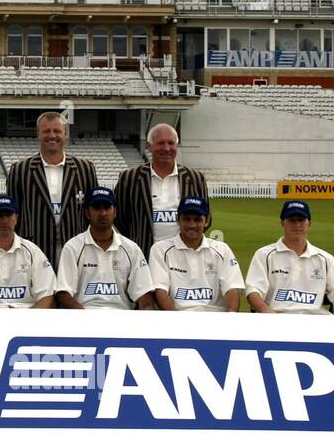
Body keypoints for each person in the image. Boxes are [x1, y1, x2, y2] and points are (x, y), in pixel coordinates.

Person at [4, 110, 101, 266]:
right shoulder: (20, 169)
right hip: (34, 247)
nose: (52, 135)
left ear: (65, 133)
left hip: (76, 247)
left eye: (57, 131)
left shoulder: (85, 168)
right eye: (46, 131)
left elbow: (94, 211)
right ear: (38, 134)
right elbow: (13, 213)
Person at [246, 200, 334, 324]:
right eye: (292, 220)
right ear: (282, 223)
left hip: (315, 322)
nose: (297, 224)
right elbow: (253, 291)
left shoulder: (324, 259)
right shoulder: (264, 255)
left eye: (301, 220)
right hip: (277, 319)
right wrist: (266, 311)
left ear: (309, 224)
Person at [54, 187, 155, 310]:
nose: (103, 213)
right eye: (97, 208)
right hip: (83, 318)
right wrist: (84, 317)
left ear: (115, 212)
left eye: (107, 207)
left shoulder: (131, 249)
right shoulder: (72, 247)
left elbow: (144, 294)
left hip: (121, 319)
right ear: (87, 213)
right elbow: (63, 293)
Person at [114, 123, 209, 254]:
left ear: (177, 145)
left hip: (184, 256)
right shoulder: (129, 178)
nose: (166, 148)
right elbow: (119, 218)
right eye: (160, 143)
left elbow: (205, 217)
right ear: (149, 146)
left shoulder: (195, 178)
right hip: (143, 255)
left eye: (171, 143)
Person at [148, 196, 243, 311]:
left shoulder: (222, 250)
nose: (192, 225)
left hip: (215, 320)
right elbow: (160, 291)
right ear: (178, 220)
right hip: (178, 318)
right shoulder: (160, 250)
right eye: (187, 219)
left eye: (197, 219)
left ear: (206, 221)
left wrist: (230, 321)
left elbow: (232, 288)